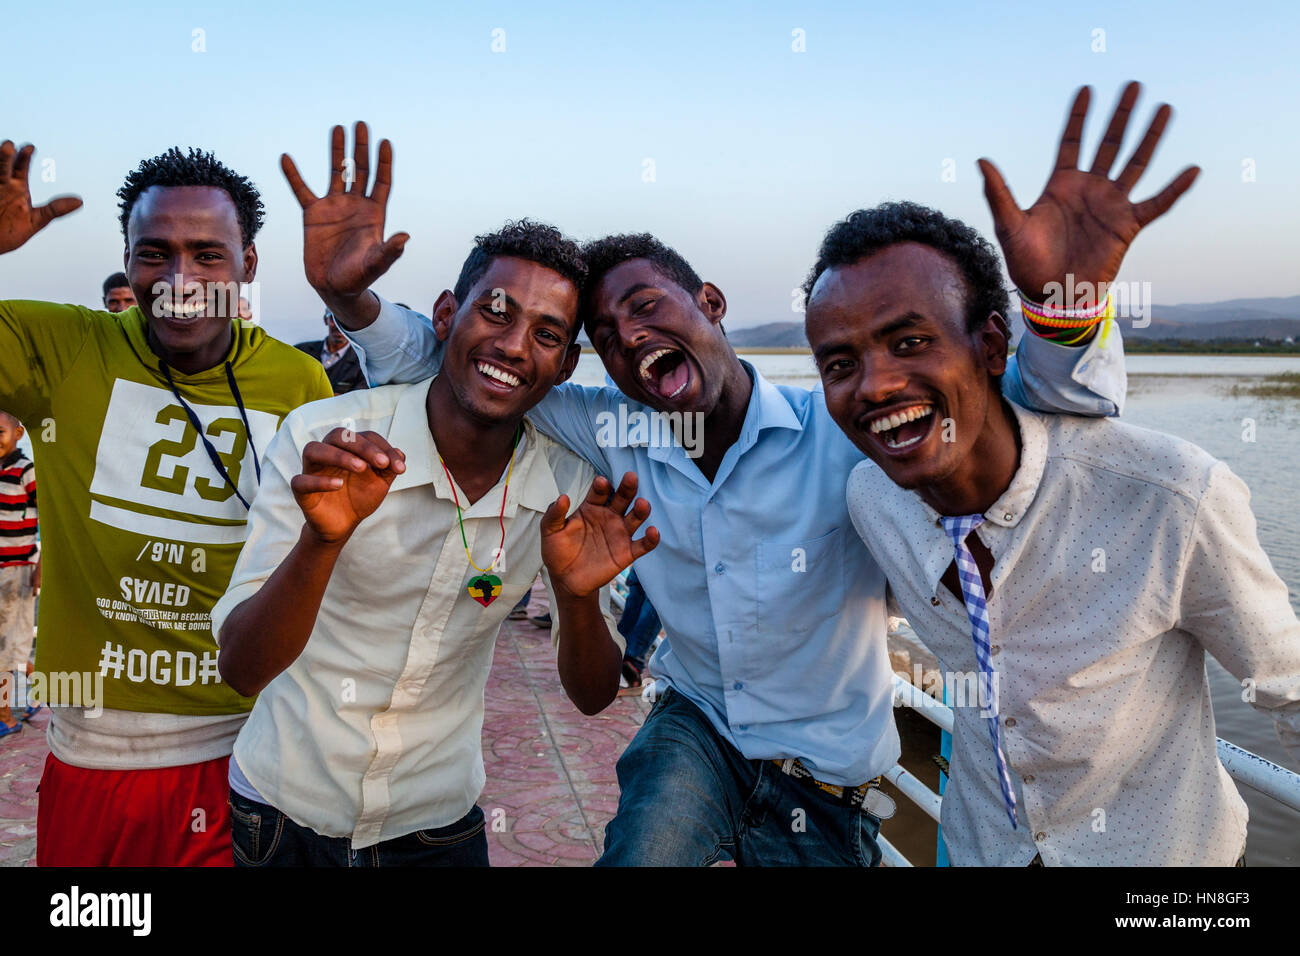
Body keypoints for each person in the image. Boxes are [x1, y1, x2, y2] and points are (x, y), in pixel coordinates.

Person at [308, 82, 1161, 866]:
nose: (630, 337)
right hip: (696, 730)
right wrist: (354, 305)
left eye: (647, 306)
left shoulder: (842, 431)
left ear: (708, 303)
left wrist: (1067, 305)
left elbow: (1006, 405)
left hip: (829, 776)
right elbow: (468, 365)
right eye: (605, 334)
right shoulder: (617, 426)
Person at [805, 195, 1300, 866]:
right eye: (840, 364)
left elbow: (1290, 688)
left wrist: (1067, 318)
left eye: (909, 342)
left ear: (988, 343)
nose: (875, 384)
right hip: (986, 848)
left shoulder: (1169, 499)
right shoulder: (873, 498)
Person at [213, 207, 645, 864]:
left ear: (566, 365)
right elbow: (242, 669)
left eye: (547, 334)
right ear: (447, 313)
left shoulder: (566, 486)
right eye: (496, 312)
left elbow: (592, 697)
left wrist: (580, 596)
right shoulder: (325, 441)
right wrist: (320, 545)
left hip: (437, 824)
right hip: (284, 811)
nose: (512, 345)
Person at [0, 138, 333, 866]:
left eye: (208, 254)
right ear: (126, 258)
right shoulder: (61, 345)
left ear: (248, 264)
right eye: (154, 254)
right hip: (93, 758)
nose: (180, 278)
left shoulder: (300, 382)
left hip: (250, 758)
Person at [0, 411, 39, 735]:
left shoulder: (25, 470)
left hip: (19, 569)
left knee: (4, 647)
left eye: (0, 432)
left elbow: (52, 518)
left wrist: (42, 566)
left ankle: (5, 718)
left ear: (19, 433)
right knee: (13, 646)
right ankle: (38, 693)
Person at [295, 310, 368, 394]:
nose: (338, 326)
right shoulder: (300, 352)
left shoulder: (364, 363)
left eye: (345, 320)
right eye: (334, 319)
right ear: (326, 320)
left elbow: (360, 398)